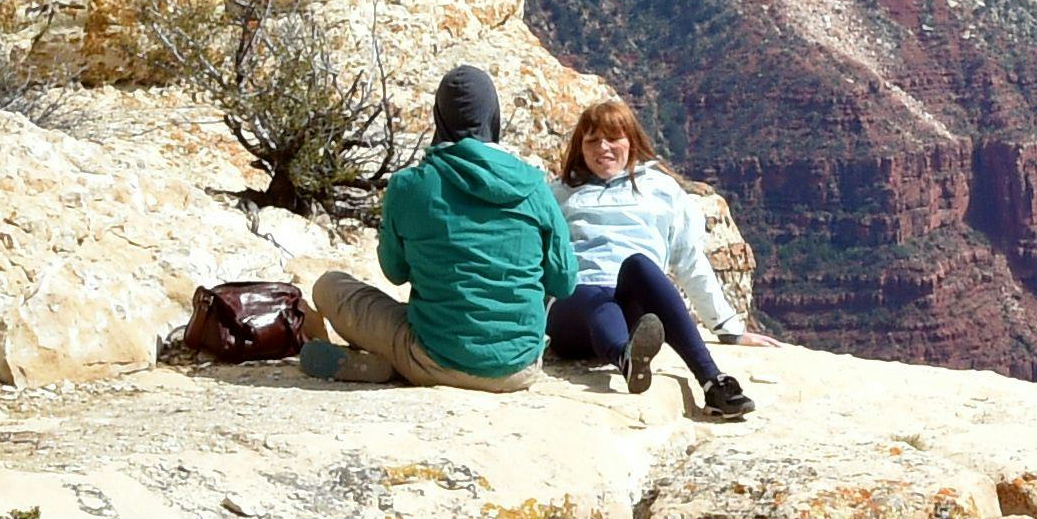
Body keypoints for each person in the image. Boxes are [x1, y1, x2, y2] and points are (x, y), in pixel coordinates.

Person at [315, 65, 575, 393]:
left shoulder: (409, 186)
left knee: (328, 285)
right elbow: (564, 282)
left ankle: (394, 362)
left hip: (434, 359)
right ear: (494, 115)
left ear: (439, 116)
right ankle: (398, 363)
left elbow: (394, 272)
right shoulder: (534, 186)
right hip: (520, 367)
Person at [556, 98, 752, 418]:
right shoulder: (561, 193)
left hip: (632, 310)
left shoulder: (661, 190)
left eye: (612, 138)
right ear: (580, 148)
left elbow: (689, 259)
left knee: (639, 265)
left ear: (631, 142)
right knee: (591, 292)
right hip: (573, 308)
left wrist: (728, 327)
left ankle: (713, 382)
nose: (602, 147)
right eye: (592, 140)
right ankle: (625, 358)